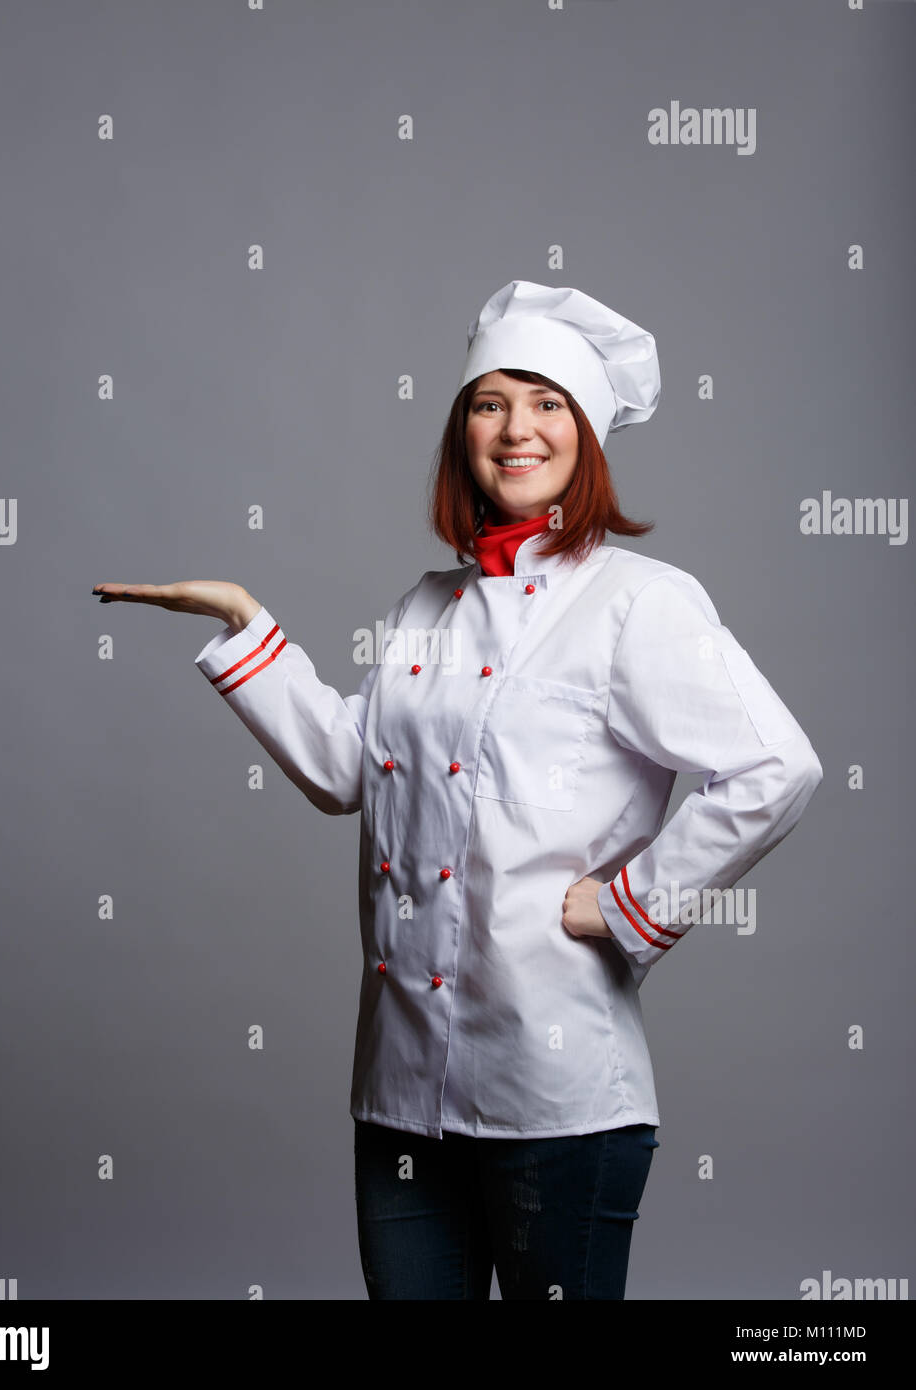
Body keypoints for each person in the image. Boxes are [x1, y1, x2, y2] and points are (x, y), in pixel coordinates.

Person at [92, 279, 823, 1300]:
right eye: (490, 403)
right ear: (460, 432)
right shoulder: (425, 606)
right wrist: (247, 625)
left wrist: (633, 903)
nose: (517, 429)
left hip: (555, 1099)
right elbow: (348, 770)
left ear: (585, 435)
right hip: (400, 1095)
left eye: (546, 403)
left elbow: (776, 766)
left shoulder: (637, 602)